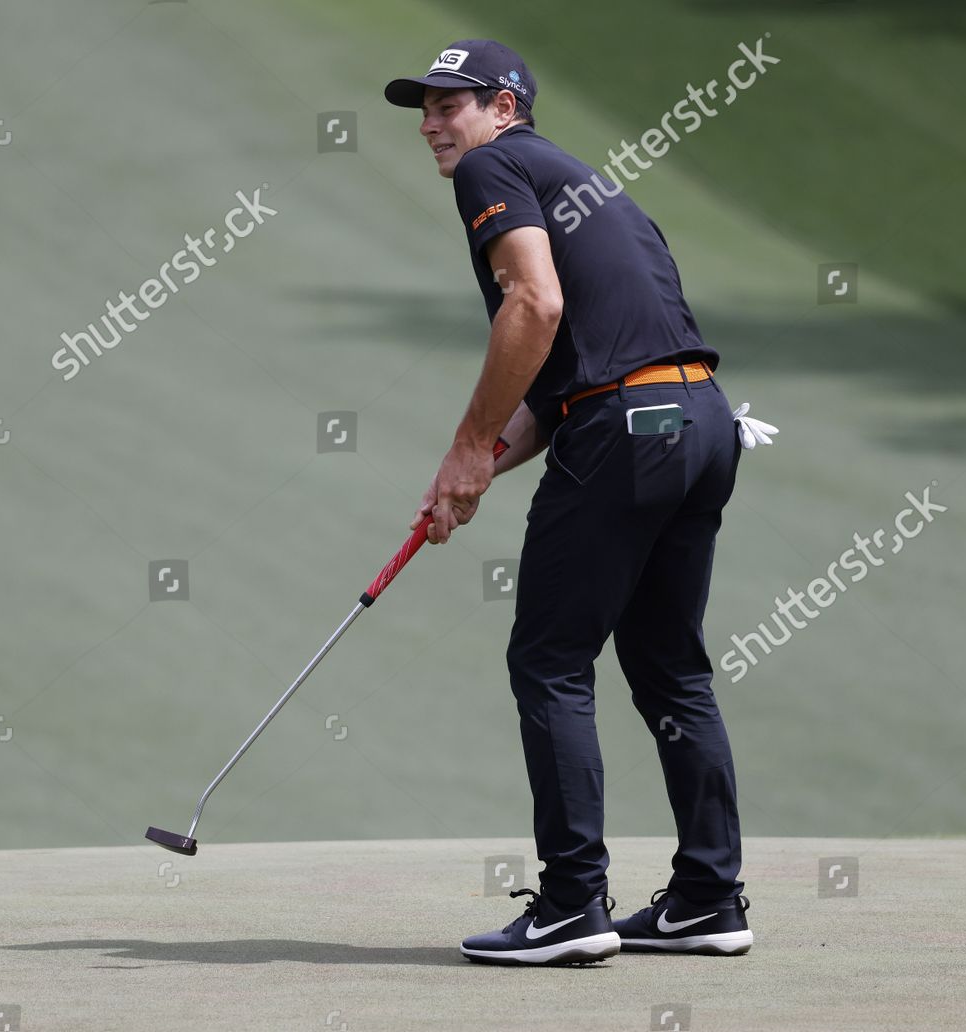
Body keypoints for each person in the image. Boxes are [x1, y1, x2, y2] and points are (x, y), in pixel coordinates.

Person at [384, 39, 778, 966]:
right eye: (426, 109)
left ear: (506, 109)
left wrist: (463, 447)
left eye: (455, 104)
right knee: (669, 668)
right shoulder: (589, 186)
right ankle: (706, 899)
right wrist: (472, 472)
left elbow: (536, 306)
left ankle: (570, 907)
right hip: (700, 420)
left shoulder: (493, 166)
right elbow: (580, 384)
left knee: (551, 660)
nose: (435, 125)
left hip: (630, 428)